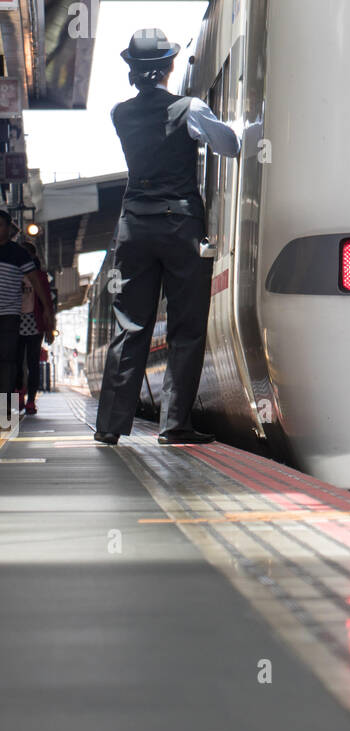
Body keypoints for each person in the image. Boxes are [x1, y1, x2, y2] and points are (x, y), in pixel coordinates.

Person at [94, 28, 240, 446]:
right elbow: (228, 146)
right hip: (180, 227)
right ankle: (174, 426)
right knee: (186, 327)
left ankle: (109, 427)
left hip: (134, 227)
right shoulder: (189, 108)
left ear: (132, 71)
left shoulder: (120, 113)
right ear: (170, 66)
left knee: (130, 325)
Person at [0, 211, 37, 418]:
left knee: (8, 361)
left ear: (8, 228)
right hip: (11, 318)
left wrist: (48, 313)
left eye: (1, 225)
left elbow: (36, 281)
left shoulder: (18, 253)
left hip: (9, 316)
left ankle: (6, 409)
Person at [17, 239, 54, 414]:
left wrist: (49, 327)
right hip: (12, 322)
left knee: (33, 363)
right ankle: (17, 397)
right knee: (12, 363)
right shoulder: (11, 272)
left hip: (34, 323)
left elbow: (47, 302)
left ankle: (30, 400)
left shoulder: (39, 276)